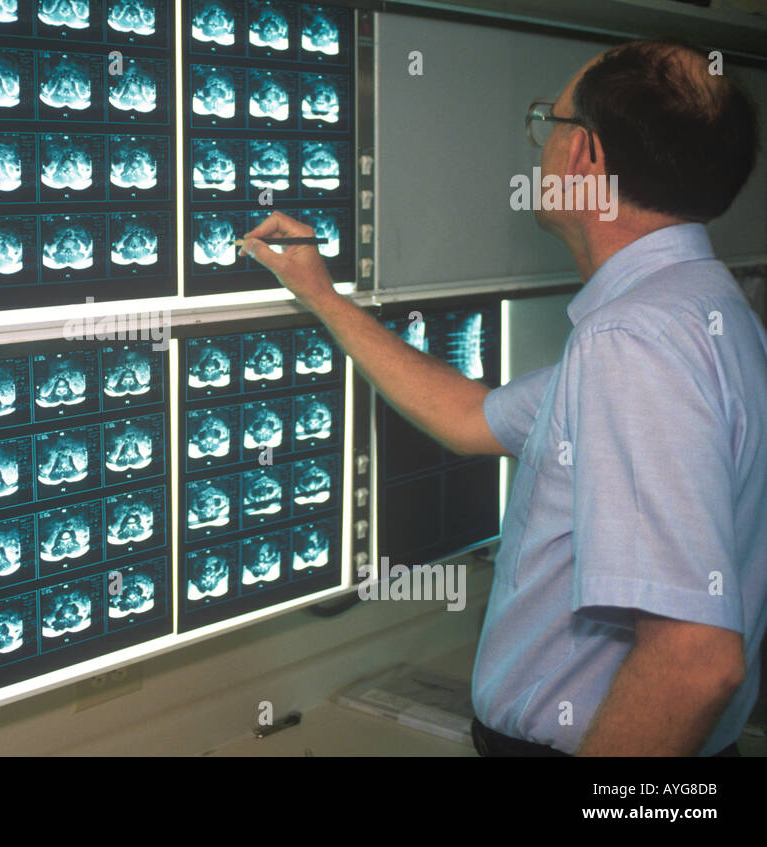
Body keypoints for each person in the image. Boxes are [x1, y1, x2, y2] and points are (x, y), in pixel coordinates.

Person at [241, 40, 765, 756]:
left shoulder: (635, 343)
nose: (538, 146)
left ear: (584, 155)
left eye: (546, 122)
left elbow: (696, 661)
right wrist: (327, 299)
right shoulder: (706, 312)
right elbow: (470, 418)